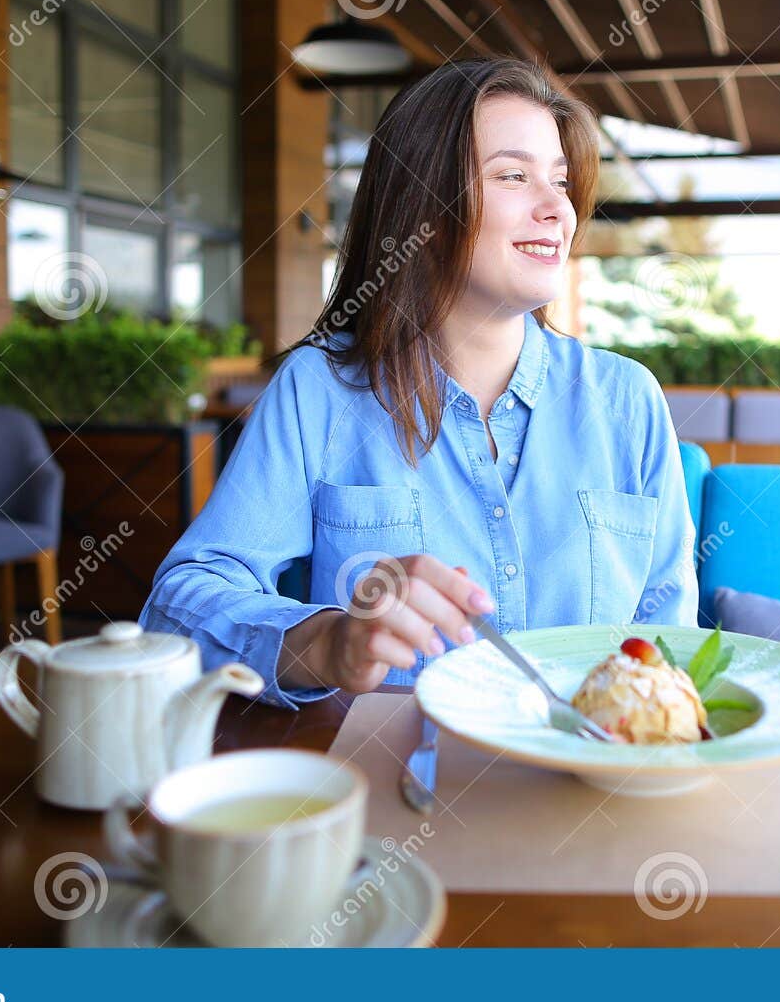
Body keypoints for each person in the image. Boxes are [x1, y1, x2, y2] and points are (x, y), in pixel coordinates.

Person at [140, 57, 698, 708]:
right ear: (423, 207)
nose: (558, 209)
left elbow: (669, 645)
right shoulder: (319, 391)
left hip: (591, 793)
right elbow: (176, 609)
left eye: (562, 180)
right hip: (394, 790)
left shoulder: (628, 401)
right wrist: (330, 642)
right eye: (514, 175)